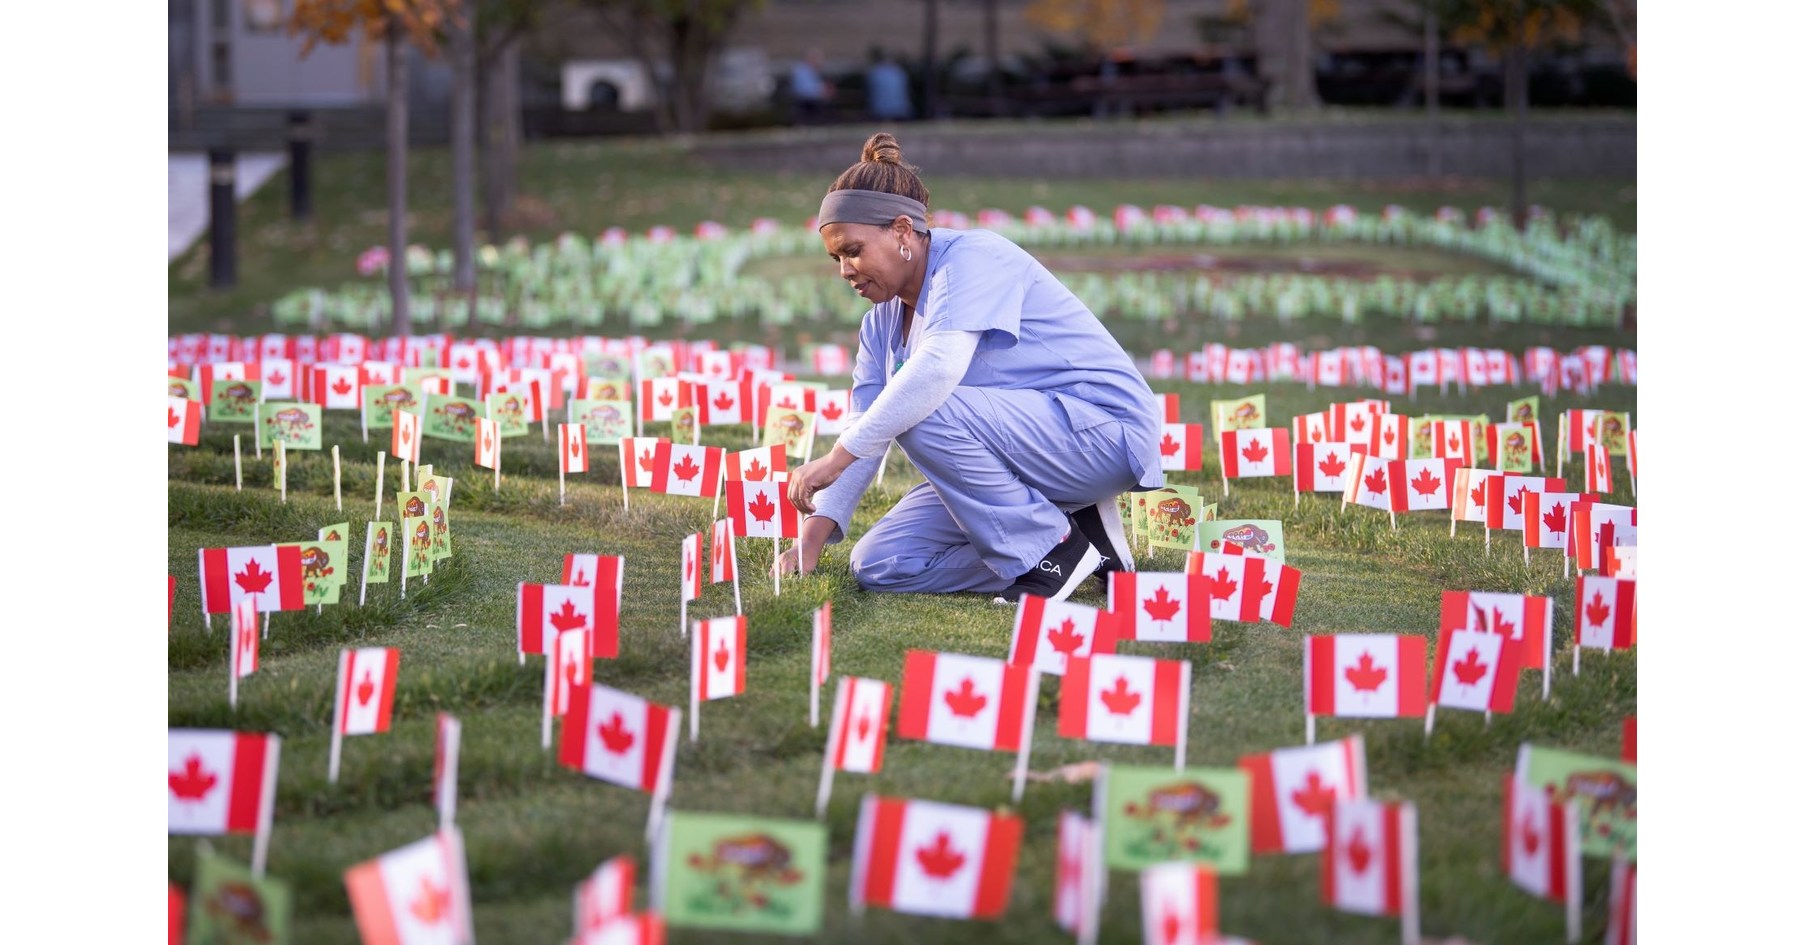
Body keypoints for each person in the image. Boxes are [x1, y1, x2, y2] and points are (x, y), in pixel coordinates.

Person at [781, 133, 1165, 605]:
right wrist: (811, 539)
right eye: (836, 257)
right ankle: (1080, 543)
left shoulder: (974, 258)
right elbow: (866, 424)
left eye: (854, 250)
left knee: (920, 403)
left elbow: (936, 372)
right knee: (881, 564)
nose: (844, 269)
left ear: (903, 231)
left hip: (1106, 435)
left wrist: (835, 456)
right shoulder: (879, 323)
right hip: (1032, 455)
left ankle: (1051, 553)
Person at [864, 49, 913, 122]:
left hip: (880, 111)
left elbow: (868, 92)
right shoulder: (900, 71)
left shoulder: (874, 72)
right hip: (901, 110)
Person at [788, 49, 834, 125]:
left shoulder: (813, 72)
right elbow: (804, 91)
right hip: (806, 105)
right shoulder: (800, 71)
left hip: (814, 103)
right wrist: (823, 91)